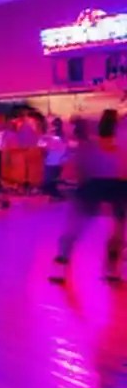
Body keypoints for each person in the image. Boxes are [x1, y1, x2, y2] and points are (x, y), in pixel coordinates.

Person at [51, 113, 123, 283]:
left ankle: (61, 264)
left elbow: (77, 168)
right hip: (118, 187)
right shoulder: (120, 148)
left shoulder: (90, 147)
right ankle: (112, 269)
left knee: (74, 228)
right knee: (118, 230)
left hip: (93, 186)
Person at [39, 118, 68, 200]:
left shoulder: (52, 137)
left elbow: (43, 145)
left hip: (52, 162)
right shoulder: (59, 136)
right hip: (56, 161)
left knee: (51, 180)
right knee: (52, 179)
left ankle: (51, 194)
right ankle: (52, 194)